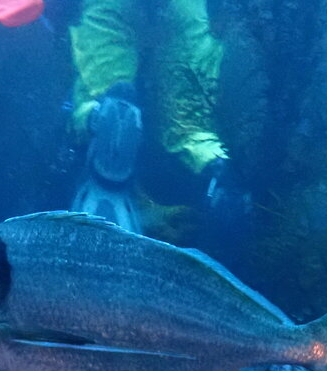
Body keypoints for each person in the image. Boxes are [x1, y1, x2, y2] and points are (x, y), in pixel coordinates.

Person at [66, 0, 250, 235]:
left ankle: (98, 131)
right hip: (181, 9)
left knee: (110, 98)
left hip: (114, 8)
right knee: (186, 121)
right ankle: (217, 172)